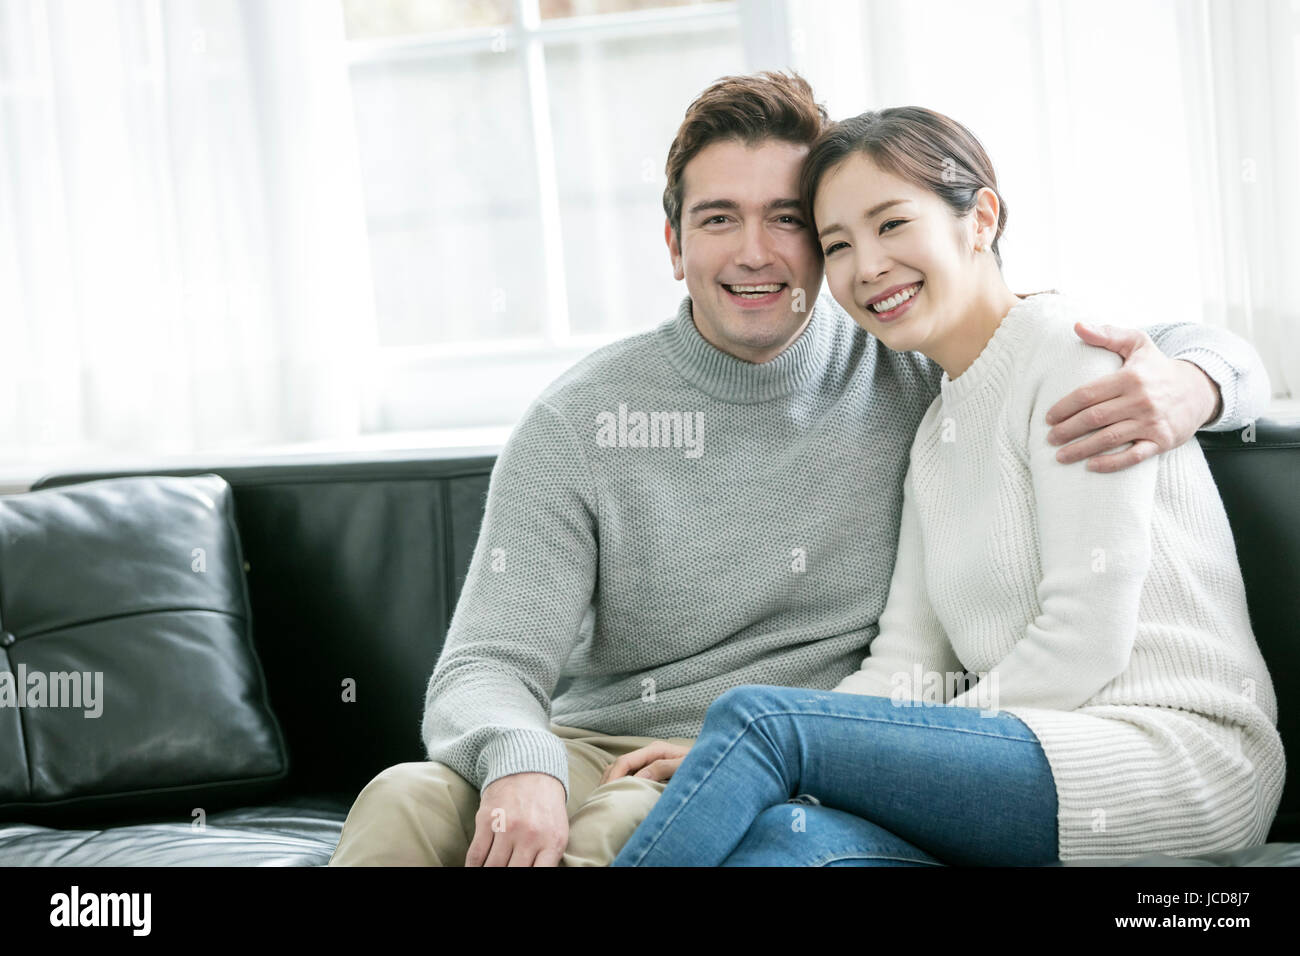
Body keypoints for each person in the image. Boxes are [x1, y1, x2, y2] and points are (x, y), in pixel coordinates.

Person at [328, 74, 1272, 867]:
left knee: (628, 829)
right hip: (603, 743)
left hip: (783, 748)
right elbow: (488, 663)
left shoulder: (908, 360)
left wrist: (1202, 379)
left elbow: (1104, 339)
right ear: (673, 246)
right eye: (718, 219)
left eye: (789, 220)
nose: (755, 252)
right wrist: (521, 763)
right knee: (406, 799)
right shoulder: (585, 421)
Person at [609, 105, 1285, 867]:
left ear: (980, 218)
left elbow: (1082, 647)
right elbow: (903, 666)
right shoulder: (934, 435)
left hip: (1170, 762)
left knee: (763, 724)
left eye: (892, 224)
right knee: (784, 841)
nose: (866, 268)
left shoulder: (1078, 362)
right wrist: (719, 764)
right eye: (837, 245)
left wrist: (863, 753)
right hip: (1026, 774)